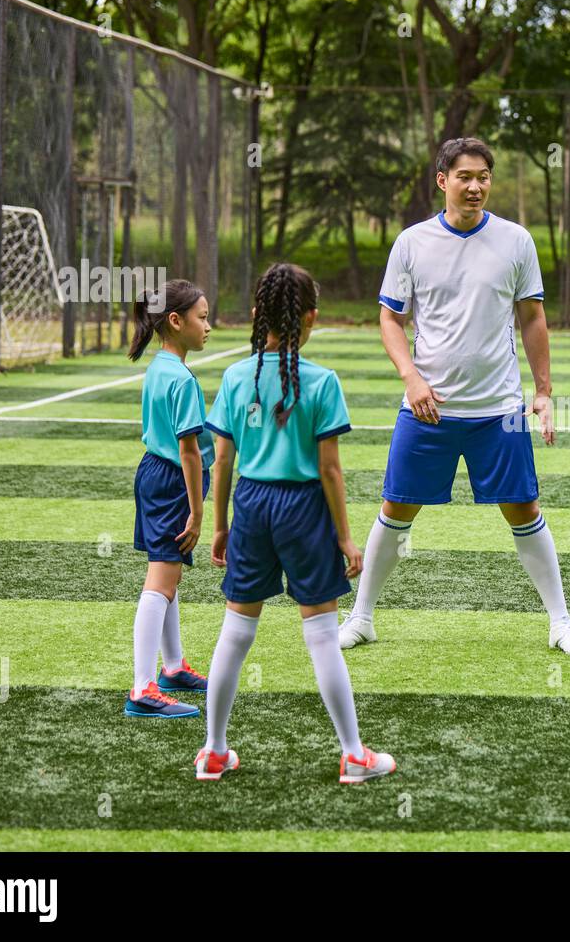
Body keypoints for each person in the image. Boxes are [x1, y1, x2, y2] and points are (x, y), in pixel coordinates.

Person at [338, 136, 570, 657]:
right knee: (396, 507)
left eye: (483, 177)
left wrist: (542, 393)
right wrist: (411, 377)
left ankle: (561, 622)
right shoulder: (411, 242)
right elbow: (390, 316)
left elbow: (532, 317)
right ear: (442, 181)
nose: (475, 186)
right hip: (427, 409)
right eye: (464, 177)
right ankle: (361, 616)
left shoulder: (517, 240)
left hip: (499, 408)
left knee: (523, 507)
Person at [196, 263, 394, 783]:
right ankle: (354, 755)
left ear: (258, 315)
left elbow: (222, 463)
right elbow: (329, 470)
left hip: (253, 506)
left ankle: (214, 750)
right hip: (304, 510)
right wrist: (347, 538)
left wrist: (221, 527)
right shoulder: (323, 381)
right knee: (323, 637)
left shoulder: (236, 377)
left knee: (235, 633)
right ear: (311, 319)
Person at [124, 280, 213, 719]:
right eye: (202, 317)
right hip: (173, 482)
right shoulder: (182, 379)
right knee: (160, 581)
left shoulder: (160, 366)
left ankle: (173, 667)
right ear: (175, 322)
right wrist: (197, 513)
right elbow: (189, 452)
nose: (209, 326)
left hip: (153, 475)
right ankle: (143, 688)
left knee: (168, 573)